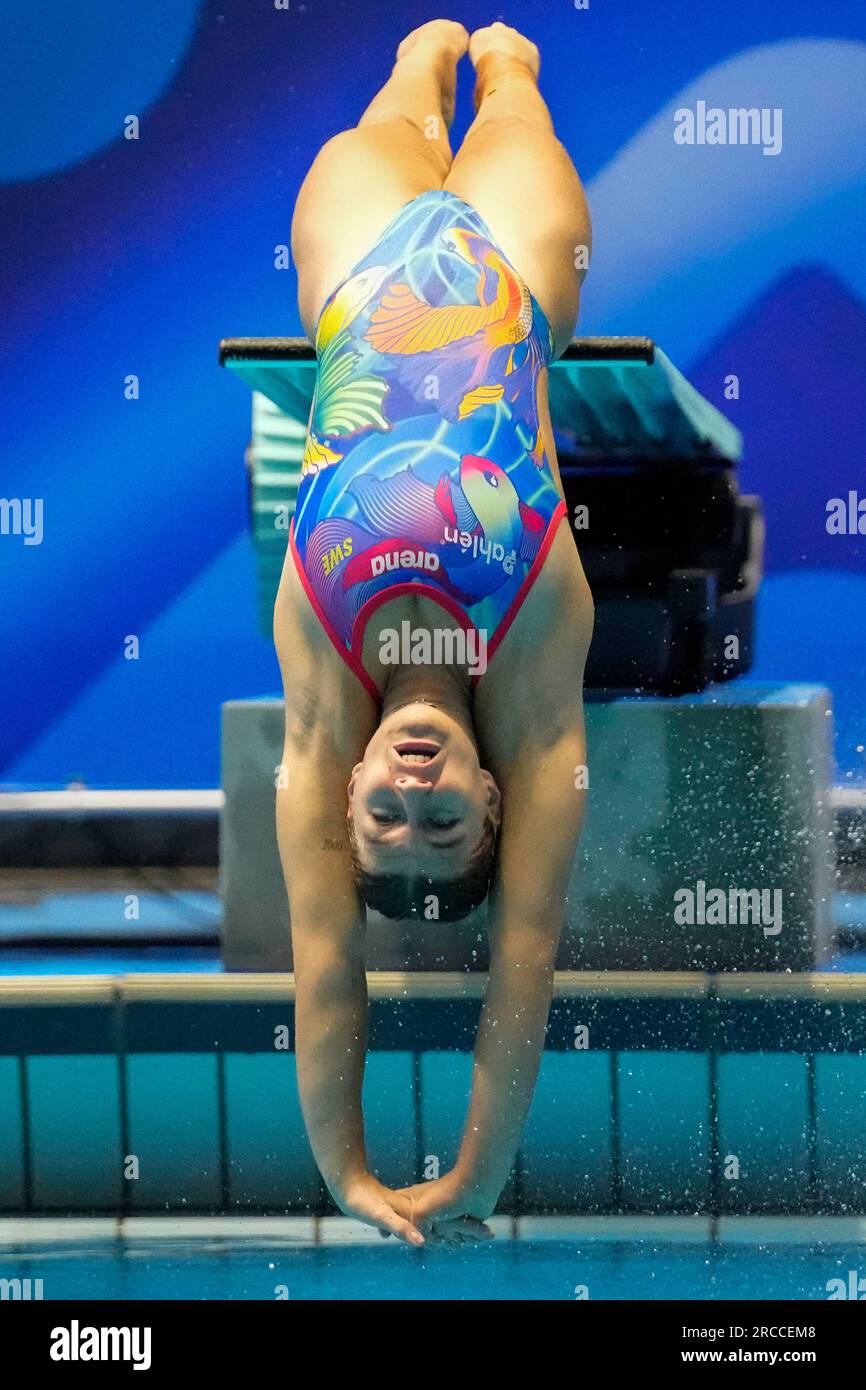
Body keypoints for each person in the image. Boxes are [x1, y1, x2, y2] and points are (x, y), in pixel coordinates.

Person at [274, 20, 593, 1245]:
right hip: (510, 266)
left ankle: (428, 62)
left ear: (343, 785)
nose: (411, 795)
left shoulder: (319, 686)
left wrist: (346, 1172)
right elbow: (521, 951)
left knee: (408, 92)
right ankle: (506, 65)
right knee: (508, 88)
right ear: (494, 804)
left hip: (357, 271)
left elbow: (323, 964)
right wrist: (477, 1169)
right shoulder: (527, 664)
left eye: (383, 817)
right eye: (443, 821)